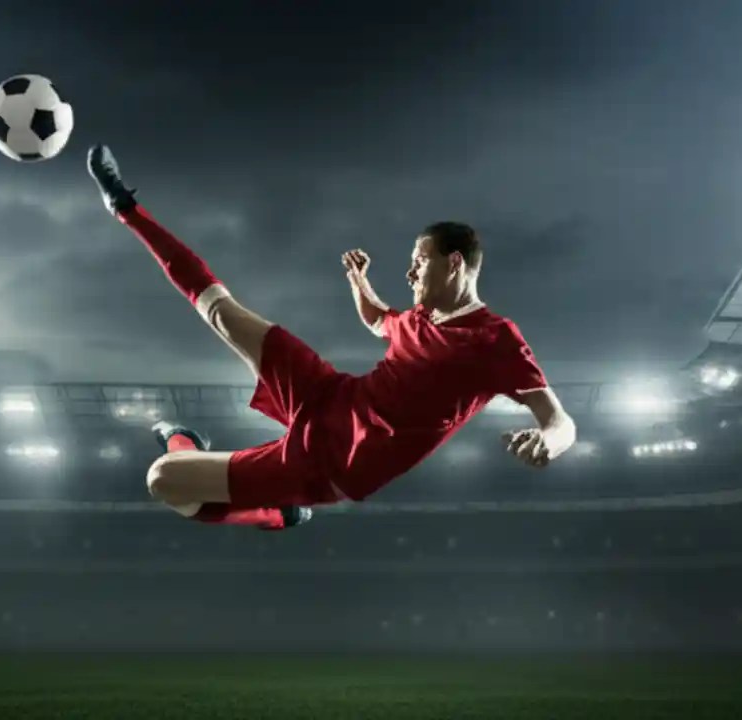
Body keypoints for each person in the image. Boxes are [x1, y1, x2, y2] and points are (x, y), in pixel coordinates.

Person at [86, 144, 576, 531]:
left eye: (419, 261)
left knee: (164, 479)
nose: (410, 272)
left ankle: (270, 507)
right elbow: (377, 319)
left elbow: (559, 421)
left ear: (454, 264)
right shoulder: (418, 319)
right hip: (328, 394)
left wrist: (547, 443)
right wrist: (359, 282)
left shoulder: (494, 339)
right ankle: (125, 207)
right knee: (221, 311)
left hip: (330, 464)